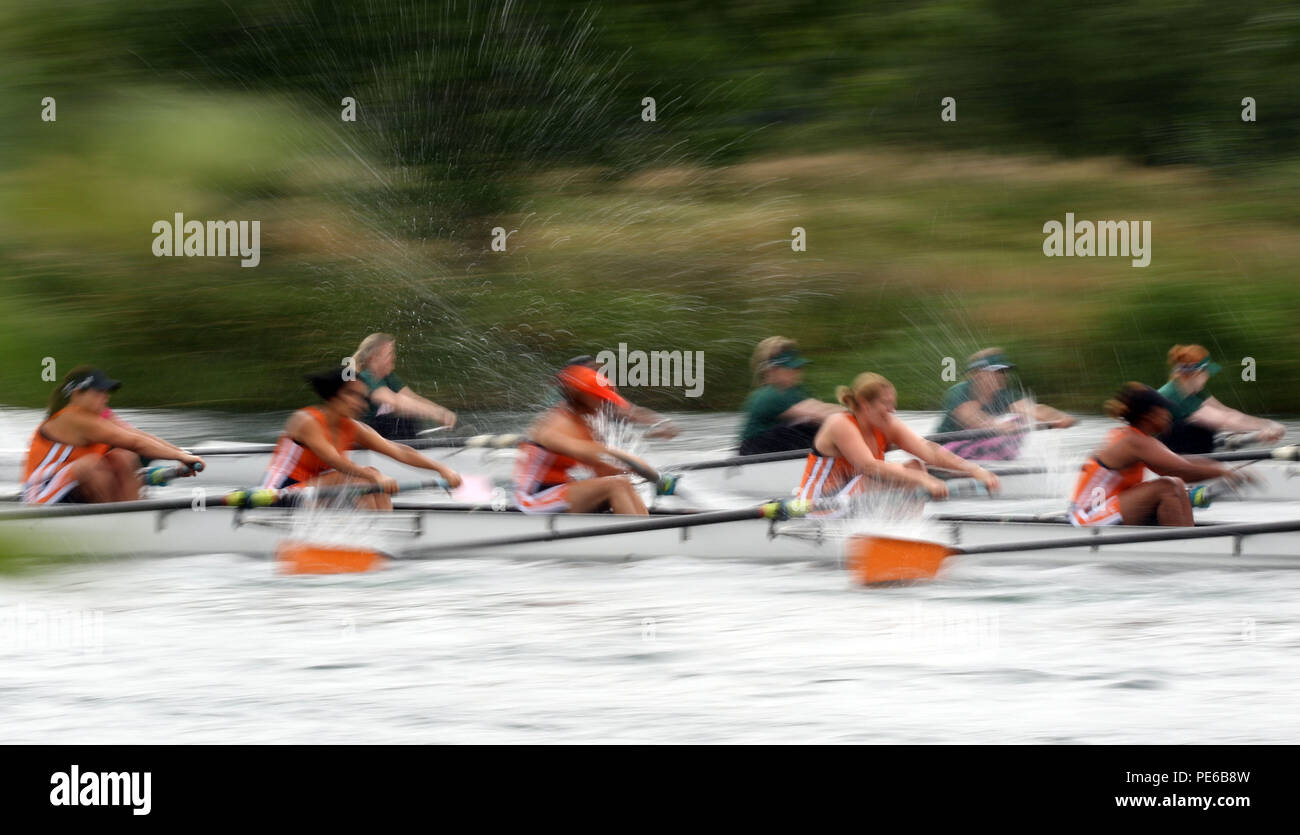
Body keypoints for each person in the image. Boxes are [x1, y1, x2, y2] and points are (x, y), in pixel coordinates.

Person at [795, 372, 1000, 511]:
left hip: (853, 503)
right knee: (891, 476)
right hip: (817, 506)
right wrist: (923, 481)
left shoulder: (886, 424)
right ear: (865, 405)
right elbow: (871, 467)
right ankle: (895, 533)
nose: (892, 411)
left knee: (916, 466)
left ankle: (907, 532)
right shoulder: (839, 423)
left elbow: (929, 451)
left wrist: (975, 470)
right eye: (886, 404)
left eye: (893, 404)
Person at [260, 369, 462, 510]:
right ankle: (371, 533)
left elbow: (400, 451)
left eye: (362, 397)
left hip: (315, 495)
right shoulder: (305, 421)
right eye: (352, 395)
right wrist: (373, 477)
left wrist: (442, 469)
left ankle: (383, 528)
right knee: (363, 477)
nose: (360, 403)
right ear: (333, 395)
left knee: (371, 476)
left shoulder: (353, 427)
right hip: (277, 494)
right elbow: (335, 462)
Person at [1068, 383, 1251, 527]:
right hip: (1088, 516)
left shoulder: (1137, 439)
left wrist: (1221, 470)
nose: (1169, 415)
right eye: (1165, 411)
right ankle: (1188, 545)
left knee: (1175, 485)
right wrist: (1224, 471)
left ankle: (1187, 538)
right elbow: (1181, 468)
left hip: (1107, 509)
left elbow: (1179, 466)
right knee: (1168, 487)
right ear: (1150, 415)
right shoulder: (1132, 441)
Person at [22, 366, 206, 504]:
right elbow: (135, 442)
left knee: (122, 456)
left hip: (72, 488)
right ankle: (115, 521)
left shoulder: (99, 416)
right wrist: (181, 457)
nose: (106, 396)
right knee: (91, 464)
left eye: (107, 391)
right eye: (99, 391)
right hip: (41, 494)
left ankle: (133, 513)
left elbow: (137, 436)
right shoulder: (71, 418)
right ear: (77, 394)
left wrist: (183, 455)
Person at [513, 362, 661, 515]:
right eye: (600, 398)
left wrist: (640, 474)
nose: (605, 403)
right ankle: (636, 536)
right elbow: (578, 449)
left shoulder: (585, 426)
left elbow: (603, 471)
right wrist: (620, 455)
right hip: (531, 499)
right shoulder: (557, 421)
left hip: (559, 492)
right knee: (616, 486)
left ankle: (648, 531)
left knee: (623, 483)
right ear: (583, 397)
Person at [933, 348, 1075, 459]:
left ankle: (992, 467)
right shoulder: (960, 391)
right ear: (978, 374)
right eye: (997, 371)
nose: (1002, 376)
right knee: (1009, 429)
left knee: (1020, 420)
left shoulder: (1004, 394)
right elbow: (970, 417)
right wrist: (998, 426)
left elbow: (1033, 409)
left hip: (975, 448)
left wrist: (1058, 417)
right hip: (943, 449)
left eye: (1004, 371)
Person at [1155, 344, 1285, 454]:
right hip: (1154, 453)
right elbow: (1224, 421)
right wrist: (1265, 427)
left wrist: (1267, 426)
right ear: (1197, 373)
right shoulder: (1174, 395)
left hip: (1177, 449)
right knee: (1194, 427)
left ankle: (1225, 444)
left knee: (1202, 429)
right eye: (1207, 373)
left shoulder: (1194, 390)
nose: (1208, 377)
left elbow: (1228, 413)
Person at [737, 337, 841, 455]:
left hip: (777, 449)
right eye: (791, 368)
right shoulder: (769, 395)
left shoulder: (797, 391)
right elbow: (818, 413)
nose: (797, 373)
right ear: (773, 370)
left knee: (818, 428)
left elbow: (822, 407)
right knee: (812, 428)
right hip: (754, 453)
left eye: (799, 368)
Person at [351, 333, 457, 440]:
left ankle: (416, 450)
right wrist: (435, 413)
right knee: (399, 420)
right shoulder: (364, 378)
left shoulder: (389, 377)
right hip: (363, 441)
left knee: (407, 417)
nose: (394, 357)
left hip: (381, 439)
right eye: (390, 353)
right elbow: (396, 402)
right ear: (374, 358)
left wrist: (441, 411)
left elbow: (413, 398)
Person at [562, 355, 679, 439]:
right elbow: (624, 412)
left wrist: (657, 427)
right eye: (594, 371)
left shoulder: (584, 406)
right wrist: (661, 424)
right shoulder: (566, 413)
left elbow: (621, 413)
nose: (600, 375)